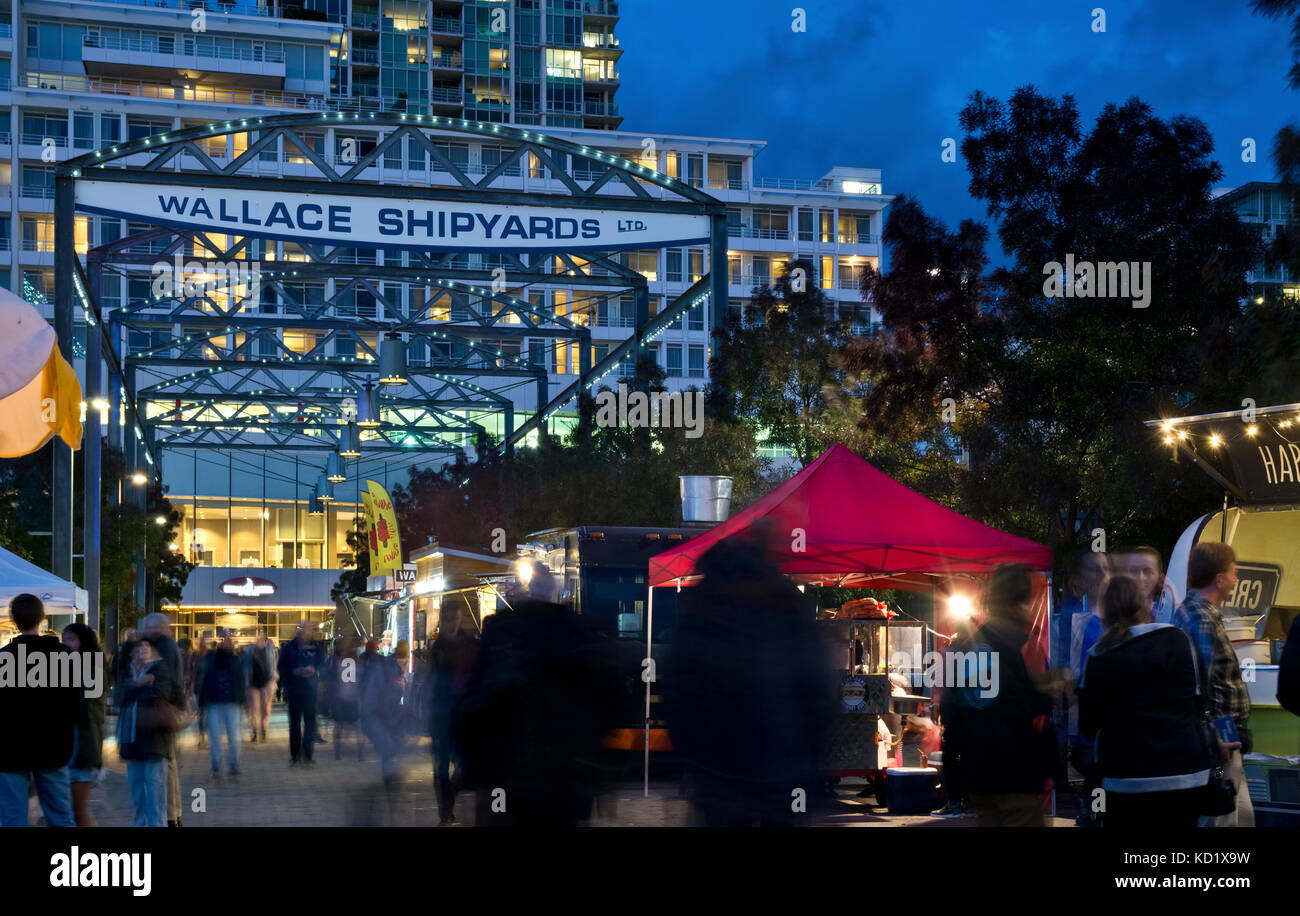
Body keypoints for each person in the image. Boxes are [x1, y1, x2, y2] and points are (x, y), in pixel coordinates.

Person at [664, 537, 837, 827]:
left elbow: (679, 694)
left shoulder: (704, 603)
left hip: (718, 772)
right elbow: (821, 689)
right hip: (785, 769)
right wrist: (810, 756)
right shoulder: (786, 600)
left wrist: (690, 760)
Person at [459, 562, 621, 827]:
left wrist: (474, 768)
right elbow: (606, 704)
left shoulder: (501, 630)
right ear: (553, 590)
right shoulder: (578, 631)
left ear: (526, 589)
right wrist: (602, 773)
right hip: (566, 781)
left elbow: (476, 702)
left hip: (508, 775)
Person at [1079, 576, 1213, 827]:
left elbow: (1088, 727)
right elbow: (1199, 703)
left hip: (1126, 779)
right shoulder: (1180, 639)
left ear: (1105, 612)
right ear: (1144, 606)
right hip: (1189, 774)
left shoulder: (1098, 655)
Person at [943, 563, 1055, 827]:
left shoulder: (965, 645)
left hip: (979, 774)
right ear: (1020, 601)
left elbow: (951, 711)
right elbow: (1042, 705)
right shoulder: (1027, 645)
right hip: (1018, 772)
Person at [1173, 542, 1253, 827]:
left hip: (1223, 739)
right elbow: (1204, 689)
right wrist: (1221, 735)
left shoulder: (1194, 611)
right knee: (1220, 818)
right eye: (1233, 573)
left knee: (1240, 816)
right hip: (1221, 740)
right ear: (1218, 579)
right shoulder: (1202, 618)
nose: (1236, 579)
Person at [0, 594, 80, 826]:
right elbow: (75, 704)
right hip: (53, 746)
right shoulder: (65, 656)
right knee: (61, 816)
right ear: (42, 617)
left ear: (14, 620)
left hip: (11, 749)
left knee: (12, 818)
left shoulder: (4, 658)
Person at [117, 640, 180, 827]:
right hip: (132, 740)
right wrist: (138, 684)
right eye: (139, 648)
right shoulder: (126, 673)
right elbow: (118, 697)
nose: (143, 651)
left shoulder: (160, 670)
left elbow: (161, 694)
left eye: (147, 648)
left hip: (155, 739)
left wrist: (136, 691)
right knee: (138, 793)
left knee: (155, 791)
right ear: (132, 653)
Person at [428, 605, 478, 826]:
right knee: (441, 765)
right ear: (443, 620)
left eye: (456, 618)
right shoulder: (438, 648)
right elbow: (432, 682)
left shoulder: (468, 643)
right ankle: (444, 809)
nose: (454, 623)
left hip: (462, 712)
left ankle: (448, 801)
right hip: (443, 712)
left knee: (463, 763)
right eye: (450, 619)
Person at [140, 613, 186, 826]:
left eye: (151, 627)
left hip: (161, 711)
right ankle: (174, 814)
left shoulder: (163, 648)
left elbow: (165, 680)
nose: (148, 631)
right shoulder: (166, 645)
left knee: (165, 766)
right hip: (166, 710)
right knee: (169, 765)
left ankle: (170, 816)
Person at [62, 623, 107, 827]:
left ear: (84, 642)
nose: (66, 644)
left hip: (83, 747)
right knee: (73, 812)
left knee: (78, 812)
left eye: (71, 639)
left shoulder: (91, 668)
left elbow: (84, 709)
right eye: (64, 639)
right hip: (73, 748)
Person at [359, 641, 409, 822]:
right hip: (378, 719)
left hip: (384, 721)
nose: (405, 665)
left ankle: (385, 799)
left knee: (388, 761)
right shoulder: (388, 671)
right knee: (387, 759)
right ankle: (383, 801)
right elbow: (379, 701)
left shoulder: (391, 669)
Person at [198, 629, 246, 778]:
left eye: (229, 641)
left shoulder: (235, 660)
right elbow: (205, 680)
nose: (227, 643)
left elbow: (241, 682)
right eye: (224, 640)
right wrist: (202, 702)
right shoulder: (212, 659)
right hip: (215, 703)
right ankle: (217, 765)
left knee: (234, 736)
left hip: (231, 703)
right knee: (216, 737)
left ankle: (232, 764)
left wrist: (242, 701)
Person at [278, 620, 325, 765]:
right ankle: (295, 755)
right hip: (294, 690)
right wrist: (294, 672)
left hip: (310, 691)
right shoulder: (290, 647)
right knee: (295, 725)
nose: (307, 632)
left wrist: (314, 671)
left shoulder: (316, 647)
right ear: (299, 631)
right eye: (304, 629)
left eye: (309, 629)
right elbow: (281, 667)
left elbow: (323, 665)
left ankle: (308, 755)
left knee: (310, 724)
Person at [324, 636, 364, 760]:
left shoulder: (337, 662)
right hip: (353, 698)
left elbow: (330, 678)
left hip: (340, 698)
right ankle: (360, 754)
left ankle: (337, 753)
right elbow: (361, 680)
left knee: (338, 726)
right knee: (358, 727)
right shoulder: (357, 663)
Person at [1117, 546, 1178, 625]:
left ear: (1160, 579)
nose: (1140, 578)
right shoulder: (1115, 614)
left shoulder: (1168, 614)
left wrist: (1173, 596)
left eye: (1148, 572)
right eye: (1133, 571)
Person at [243, 633, 275, 742]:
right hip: (253, 682)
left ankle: (264, 729)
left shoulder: (269, 650)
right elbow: (246, 667)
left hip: (267, 681)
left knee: (266, 707)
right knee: (254, 708)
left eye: (260, 639)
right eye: (256, 638)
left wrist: (273, 680)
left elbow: (273, 665)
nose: (258, 640)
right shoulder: (249, 651)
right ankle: (255, 731)